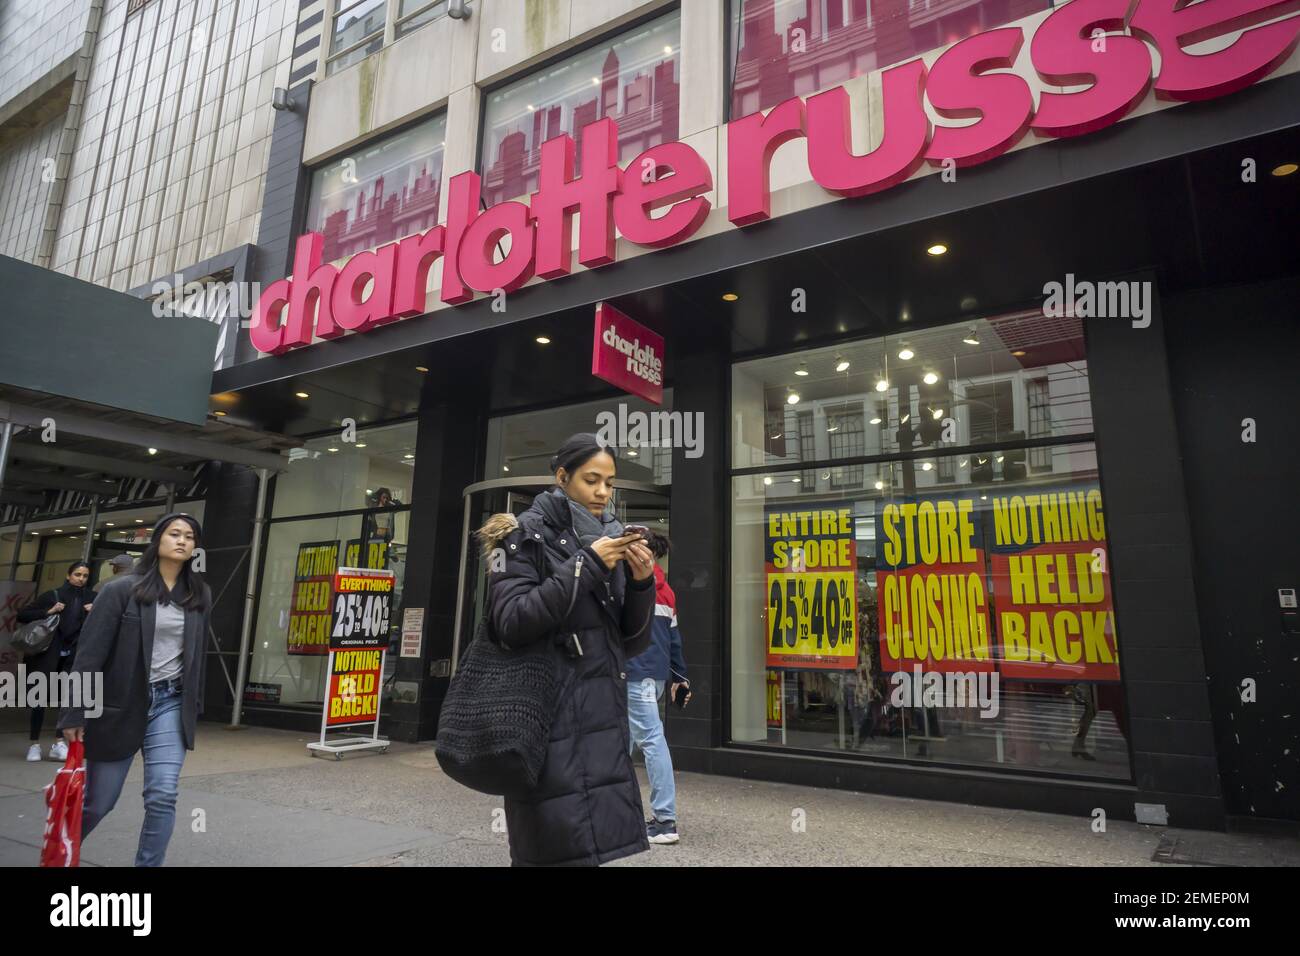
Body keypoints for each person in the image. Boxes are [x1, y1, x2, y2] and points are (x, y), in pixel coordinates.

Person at [477, 433, 657, 866]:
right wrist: (588, 564)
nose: (602, 493)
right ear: (562, 477)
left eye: (610, 483)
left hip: (600, 718)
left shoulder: (611, 538)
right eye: (591, 480)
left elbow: (628, 642)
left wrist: (641, 582)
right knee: (551, 846)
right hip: (547, 718)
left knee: (592, 846)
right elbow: (513, 621)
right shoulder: (519, 536)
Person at [58, 513, 211, 867]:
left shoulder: (198, 594)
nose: (182, 540)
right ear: (157, 540)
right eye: (174, 534)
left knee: (162, 795)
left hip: (170, 703)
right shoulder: (121, 589)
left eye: (189, 536)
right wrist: (75, 711)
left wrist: (194, 704)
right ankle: (59, 855)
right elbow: (90, 654)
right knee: (99, 801)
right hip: (120, 704)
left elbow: (198, 653)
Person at [625, 530, 689, 845]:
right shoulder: (667, 591)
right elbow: (674, 641)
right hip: (655, 678)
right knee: (620, 743)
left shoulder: (629, 585)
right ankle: (617, 811)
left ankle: (665, 821)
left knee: (651, 741)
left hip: (635, 676)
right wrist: (681, 678)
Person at [16, 562, 94, 762]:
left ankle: (58, 742)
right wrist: (49, 611)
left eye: (85, 575)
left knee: (65, 700)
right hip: (48, 654)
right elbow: (22, 615)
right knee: (40, 700)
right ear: (68, 576)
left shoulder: (92, 598)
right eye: (77, 574)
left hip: (73, 656)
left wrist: (94, 612)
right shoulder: (54, 595)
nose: (81, 579)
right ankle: (34, 744)